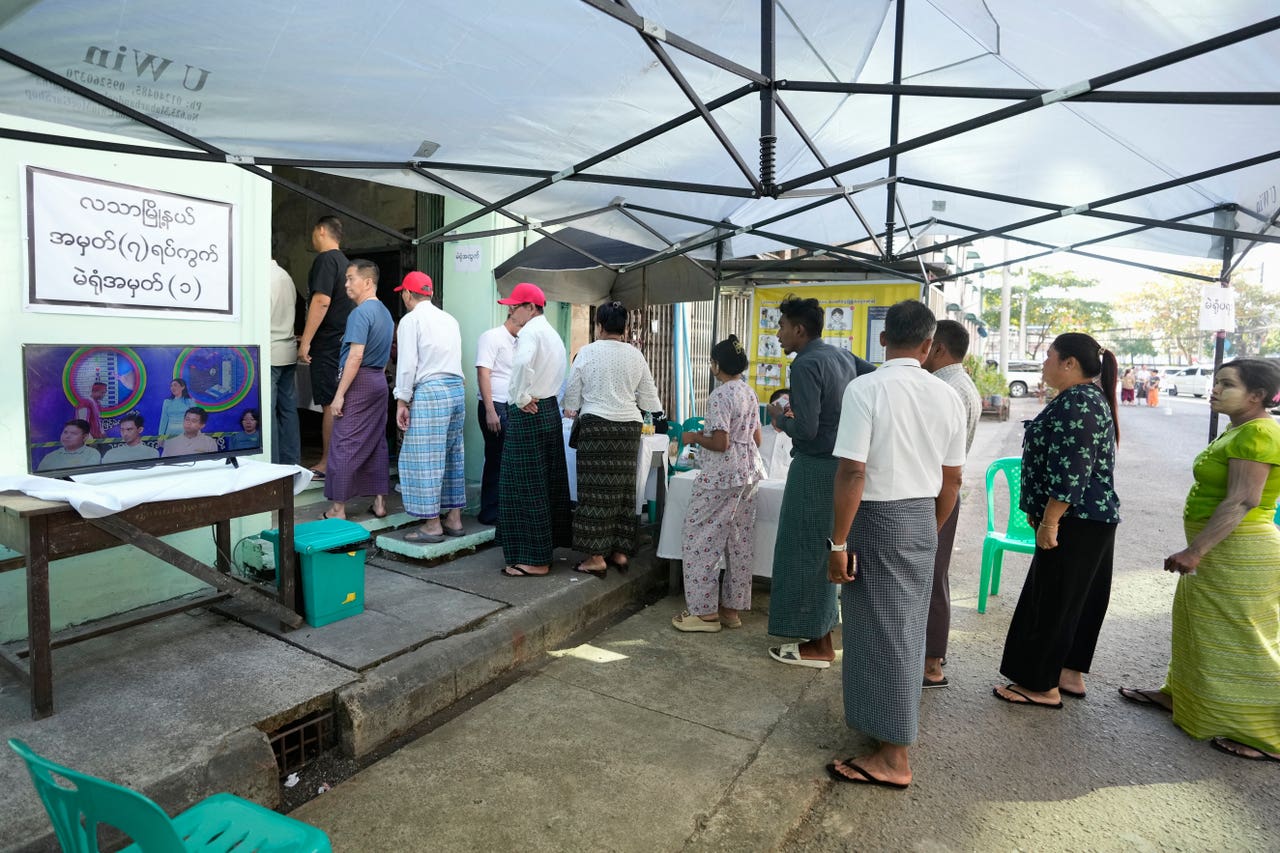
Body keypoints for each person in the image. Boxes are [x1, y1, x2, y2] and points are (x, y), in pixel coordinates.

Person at [824, 300, 966, 789]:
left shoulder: (867, 389)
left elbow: (853, 471)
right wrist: (931, 525)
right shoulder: (947, 396)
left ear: (883, 340)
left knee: (886, 633)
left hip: (875, 519)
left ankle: (894, 755)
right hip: (921, 516)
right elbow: (952, 480)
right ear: (929, 346)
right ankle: (881, 728)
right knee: (891, 629)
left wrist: (837, 541)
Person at [1120, 358, 1280, 761]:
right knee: (1198, 629)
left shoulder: (1258, 433)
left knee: (1245, 642)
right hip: (1223, 551)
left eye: (1226, 384)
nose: (1214, 390)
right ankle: (1180, 696)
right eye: (1215, 382)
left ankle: (1268, 736)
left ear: (1257, 396)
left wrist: (1195, 551)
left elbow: (1244, 499)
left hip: (1240, 553)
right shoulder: (1241, 429)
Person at [993, 333, 1120, 708]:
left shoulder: (1079, 402)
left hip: (1075, 520)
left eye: (1048, 357)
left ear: (1070, 364)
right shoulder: (1084, 399)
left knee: (1052, 601)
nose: (1043, 364)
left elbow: (1072, 472)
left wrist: (1050, 522)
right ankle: (1068, 673)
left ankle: (1040, 686)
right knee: (1075, 600)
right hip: (1090, 519)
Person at [765, 295, 875, 668]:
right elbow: (874, 375)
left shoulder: (806, 364)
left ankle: (819, 644)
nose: (778, 334)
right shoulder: (842, 355)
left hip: (814, 468)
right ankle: (822, 631)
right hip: (842, 464)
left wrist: (781, 419)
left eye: (781, 327)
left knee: (803, 553)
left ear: (799, 329)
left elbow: (807, 429)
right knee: (823, 548)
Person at [562, 301, 663, 578]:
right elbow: (649, 398)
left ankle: (595, 556)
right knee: (622, 491)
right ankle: (619, 551)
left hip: (597, 427)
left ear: (600, 326)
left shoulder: (587, 352)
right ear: (625, 328)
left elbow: (572, 396)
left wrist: (573, 407)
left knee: (594, 492)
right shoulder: (635, 355)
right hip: (628, 429)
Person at [672, 335, 762, 631]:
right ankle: (731, 610)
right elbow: (756, 438)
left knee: (700, 538)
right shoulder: (749, 392)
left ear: (717, 364)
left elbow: (721, 442)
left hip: (721, 475)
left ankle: (703, 613)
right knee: (738, 541)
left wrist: (694, 437)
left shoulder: (720, 395)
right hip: (748, 472)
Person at [920, 319, 982, 688]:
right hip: (942, 489)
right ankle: (928, 657)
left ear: (938, 349)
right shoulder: (958, 383)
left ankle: (931, 664)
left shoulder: (948, 390)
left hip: (939, 491)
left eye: (926, 346)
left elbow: (945, 464)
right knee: (930, 575)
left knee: (930, 577)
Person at [497, 282, 571, 577]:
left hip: (529, 410)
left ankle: (535, 560)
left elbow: (522, 365)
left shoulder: (530, 332)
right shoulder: (553, 334)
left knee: (524, 486)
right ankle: (542, 553)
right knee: (544, 484)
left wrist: (521, 397)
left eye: (516, 306)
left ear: (531, 307)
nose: (512, 310)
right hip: (549, 408)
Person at [394, 272, 466, 541]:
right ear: (430, 293)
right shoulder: (449, 319)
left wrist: (402, 400)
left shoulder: (410, 320)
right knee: (452, 455)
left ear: (407, 294)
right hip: (456, 389)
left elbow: (407, 364)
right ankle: (454, 519)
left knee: (423, 457)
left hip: (431, 390)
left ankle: (432, 524)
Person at [322, 260, 393, 521]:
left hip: (359, 382)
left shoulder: (360, 313)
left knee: (343, 443)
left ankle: (338, 509)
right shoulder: (385, 312)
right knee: (375, 442)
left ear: (367, 282)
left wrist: (339, 395)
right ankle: (379, 502)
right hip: (378, 381)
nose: (346, 284)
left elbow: (355, 355)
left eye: (350, 278)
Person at [298, 215, 353, 479]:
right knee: (341, 401)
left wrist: (306, 340)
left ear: (321, 230)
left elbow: (321, 301)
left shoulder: (325, 260)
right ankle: (340, 459)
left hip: (329, 342)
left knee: (330, 404)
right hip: (344, 342)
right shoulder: (346, 263)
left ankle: (326, 461)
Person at [475, 307, 520, 525]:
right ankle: (490, 512)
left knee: (507, 460)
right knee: (496, 458)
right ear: (513, 312)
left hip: (512, 405)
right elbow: (483, 372)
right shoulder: (492, 337)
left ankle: (502, 510)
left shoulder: (521, 341)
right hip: (495, 405)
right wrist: (491, 411)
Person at [269, 251, 302, 466]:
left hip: (269, 351)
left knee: (268, 411)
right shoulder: (285, 276)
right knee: (289, 410)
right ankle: (291, 462)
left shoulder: (261, 278)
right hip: (288, 350)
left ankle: (271, 462)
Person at [36, 419, 101, 472]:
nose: (67, 436)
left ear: (85, 437)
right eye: (65, 432)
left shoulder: (92, 454)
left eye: (73, 433)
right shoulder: (50, 457)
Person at [757, 387, 793, 480]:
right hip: (759, 490)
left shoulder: (798, 438)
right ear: (771, 408)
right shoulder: (758, 435)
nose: (788, 410)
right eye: (784, 405)